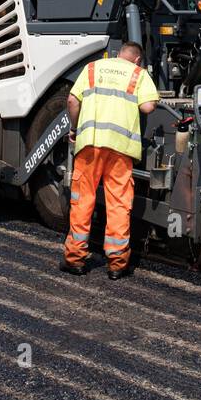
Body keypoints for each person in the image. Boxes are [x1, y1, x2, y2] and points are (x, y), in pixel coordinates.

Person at [60, 41, 160, 280]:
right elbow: (148, 107)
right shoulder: (138, 74)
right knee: (118, 203)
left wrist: (74, 129)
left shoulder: (93, 68)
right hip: (120, 150)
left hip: (90, 145)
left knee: (82, 200)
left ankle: (75, 259)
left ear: (118, 54)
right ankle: (117, 263)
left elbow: (72, 101)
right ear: (137, 59)